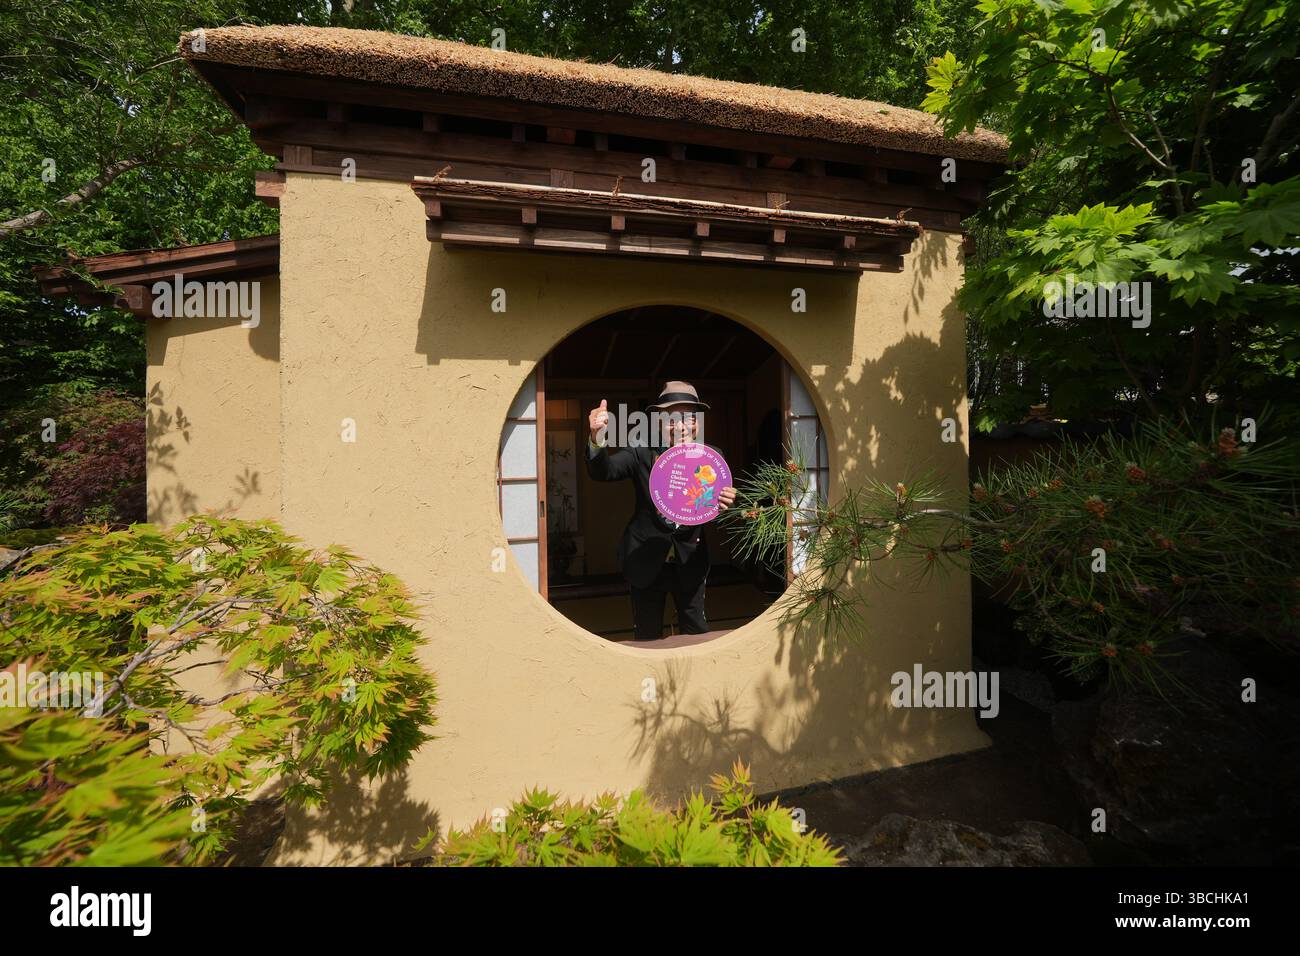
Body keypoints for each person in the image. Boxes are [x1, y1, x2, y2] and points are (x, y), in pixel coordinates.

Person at [586, 381, 736, 640]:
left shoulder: (712, 457)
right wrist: (597, 438)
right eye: (671, 420)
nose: (681, 426)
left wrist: (728, 504)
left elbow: (717, 509)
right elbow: (604, 471)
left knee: (697, 634)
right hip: (644, 558)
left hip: (690, 559)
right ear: (658, 422)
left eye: (690, 418)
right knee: (647, 635)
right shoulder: (641, 452)